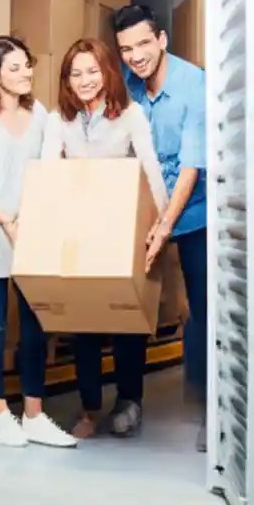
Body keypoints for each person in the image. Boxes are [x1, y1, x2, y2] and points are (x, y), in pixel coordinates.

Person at [40, 38, 169, 440]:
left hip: (121, 225)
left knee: (127, 319)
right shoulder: (57, 120)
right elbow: (48, 170)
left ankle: (129, 402)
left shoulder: (129, 114)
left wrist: (161, 225)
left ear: (107, 72)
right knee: (85, 323)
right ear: (66, 80)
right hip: (80, 228)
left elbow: (149, 165)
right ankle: (89, 407)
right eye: (76, 73)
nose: (85, 81)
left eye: (92, 71)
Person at [0, 35, 77, 449]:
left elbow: (52, 166)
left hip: (29, 232)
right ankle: (0, 415)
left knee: (35, 326)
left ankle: (33, 414)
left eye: (28, 65)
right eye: (15, 67)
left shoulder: (40, 114)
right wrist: (6, 220)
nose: (26, 72)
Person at [112, 4, 209, 451]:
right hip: (141, 212)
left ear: (163, 39)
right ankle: (128, 399)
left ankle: (214, 408)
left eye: (143, 44)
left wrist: (166, 225)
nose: (135, 56)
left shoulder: (194, 85)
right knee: (129, 304)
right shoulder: (125, 87)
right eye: (126, 48)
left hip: (193, 212)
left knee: (205, 308)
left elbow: (192, 164)